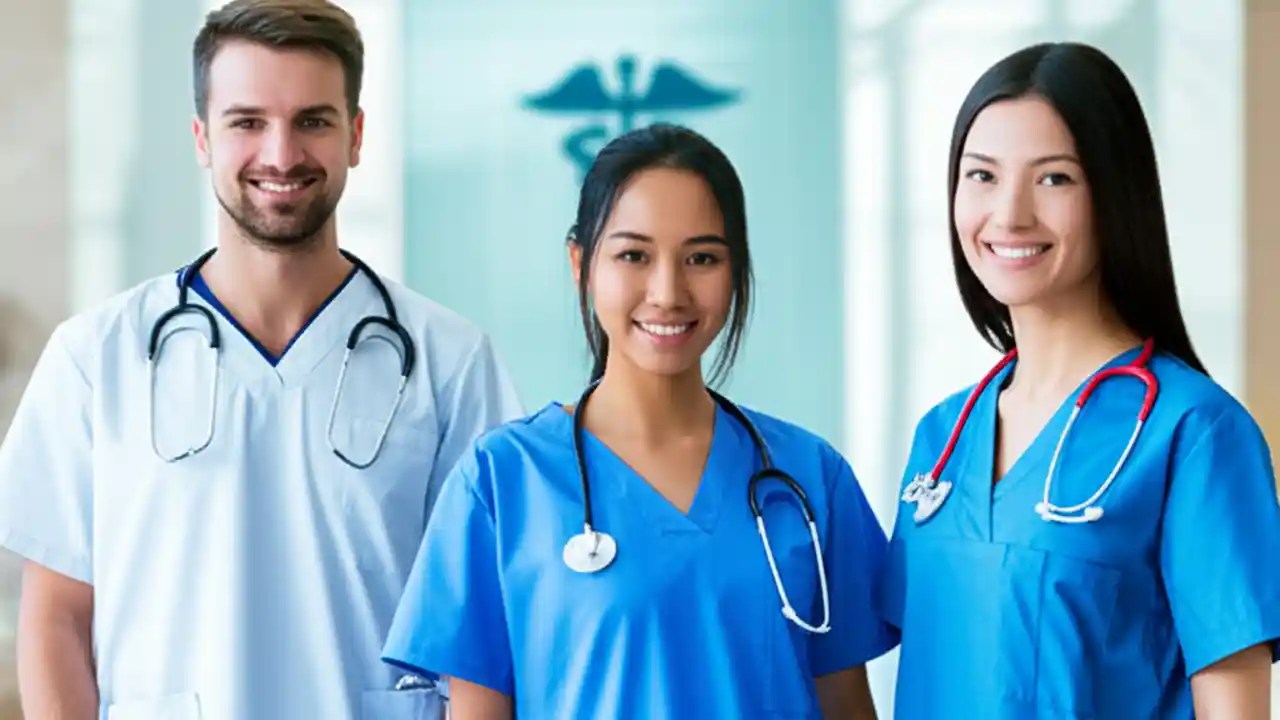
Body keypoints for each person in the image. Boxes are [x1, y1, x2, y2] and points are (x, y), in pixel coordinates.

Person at [0, 1, 522, 717]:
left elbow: (482, 633)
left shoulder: (450, 364)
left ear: (356, 135)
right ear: (201, 138)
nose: (281, 154)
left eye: (313, 120)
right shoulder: (97, 359)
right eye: (247, 122)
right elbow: (57, 618)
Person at [380, 122, 899, 719]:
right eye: (633, 255)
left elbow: (848, 707)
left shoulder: (809, 477)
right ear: (581, 263)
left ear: (736, 270)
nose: (667, 291)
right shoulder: (502, 480)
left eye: (702, 258)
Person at [879, 41, 1280, 719]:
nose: (1009, 215)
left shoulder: (1195, 434)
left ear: (1114, 195)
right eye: (981, 176)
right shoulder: (942, 440)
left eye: (1054, 179)